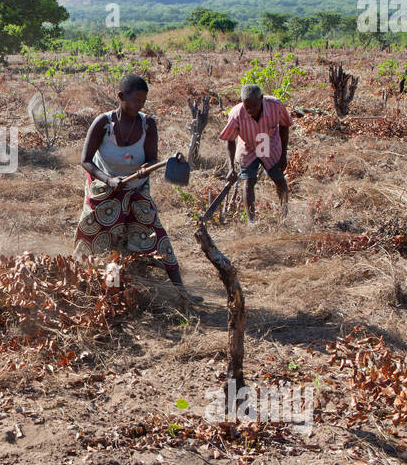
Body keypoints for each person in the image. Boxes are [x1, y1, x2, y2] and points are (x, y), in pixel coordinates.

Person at [73, 74, 201, 308]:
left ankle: (182, 293)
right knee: (97, 236)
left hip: (135, 187)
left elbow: (151, 159)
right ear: (120, 97)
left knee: (156, 234)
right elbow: (86, 161)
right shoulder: (103, 124)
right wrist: (110, 180)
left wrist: (145, 169)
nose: (139, 106)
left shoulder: (147, 124)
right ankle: (86, 286)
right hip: (104, 187)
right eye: (135, 100)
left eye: (142, 102)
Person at [219, 83, 293, 221]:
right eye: (247, 107)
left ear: (262, 99)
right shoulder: (236, 114)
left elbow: (284, 126)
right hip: (248, 145)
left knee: (279, 179)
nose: (251, 110)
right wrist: (230, 167)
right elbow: (229, 139)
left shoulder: (275, 106)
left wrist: (283, 155)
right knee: (248, 182)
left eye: (254, 106)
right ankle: (251, 221)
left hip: (268, 142)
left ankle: (284, 215)